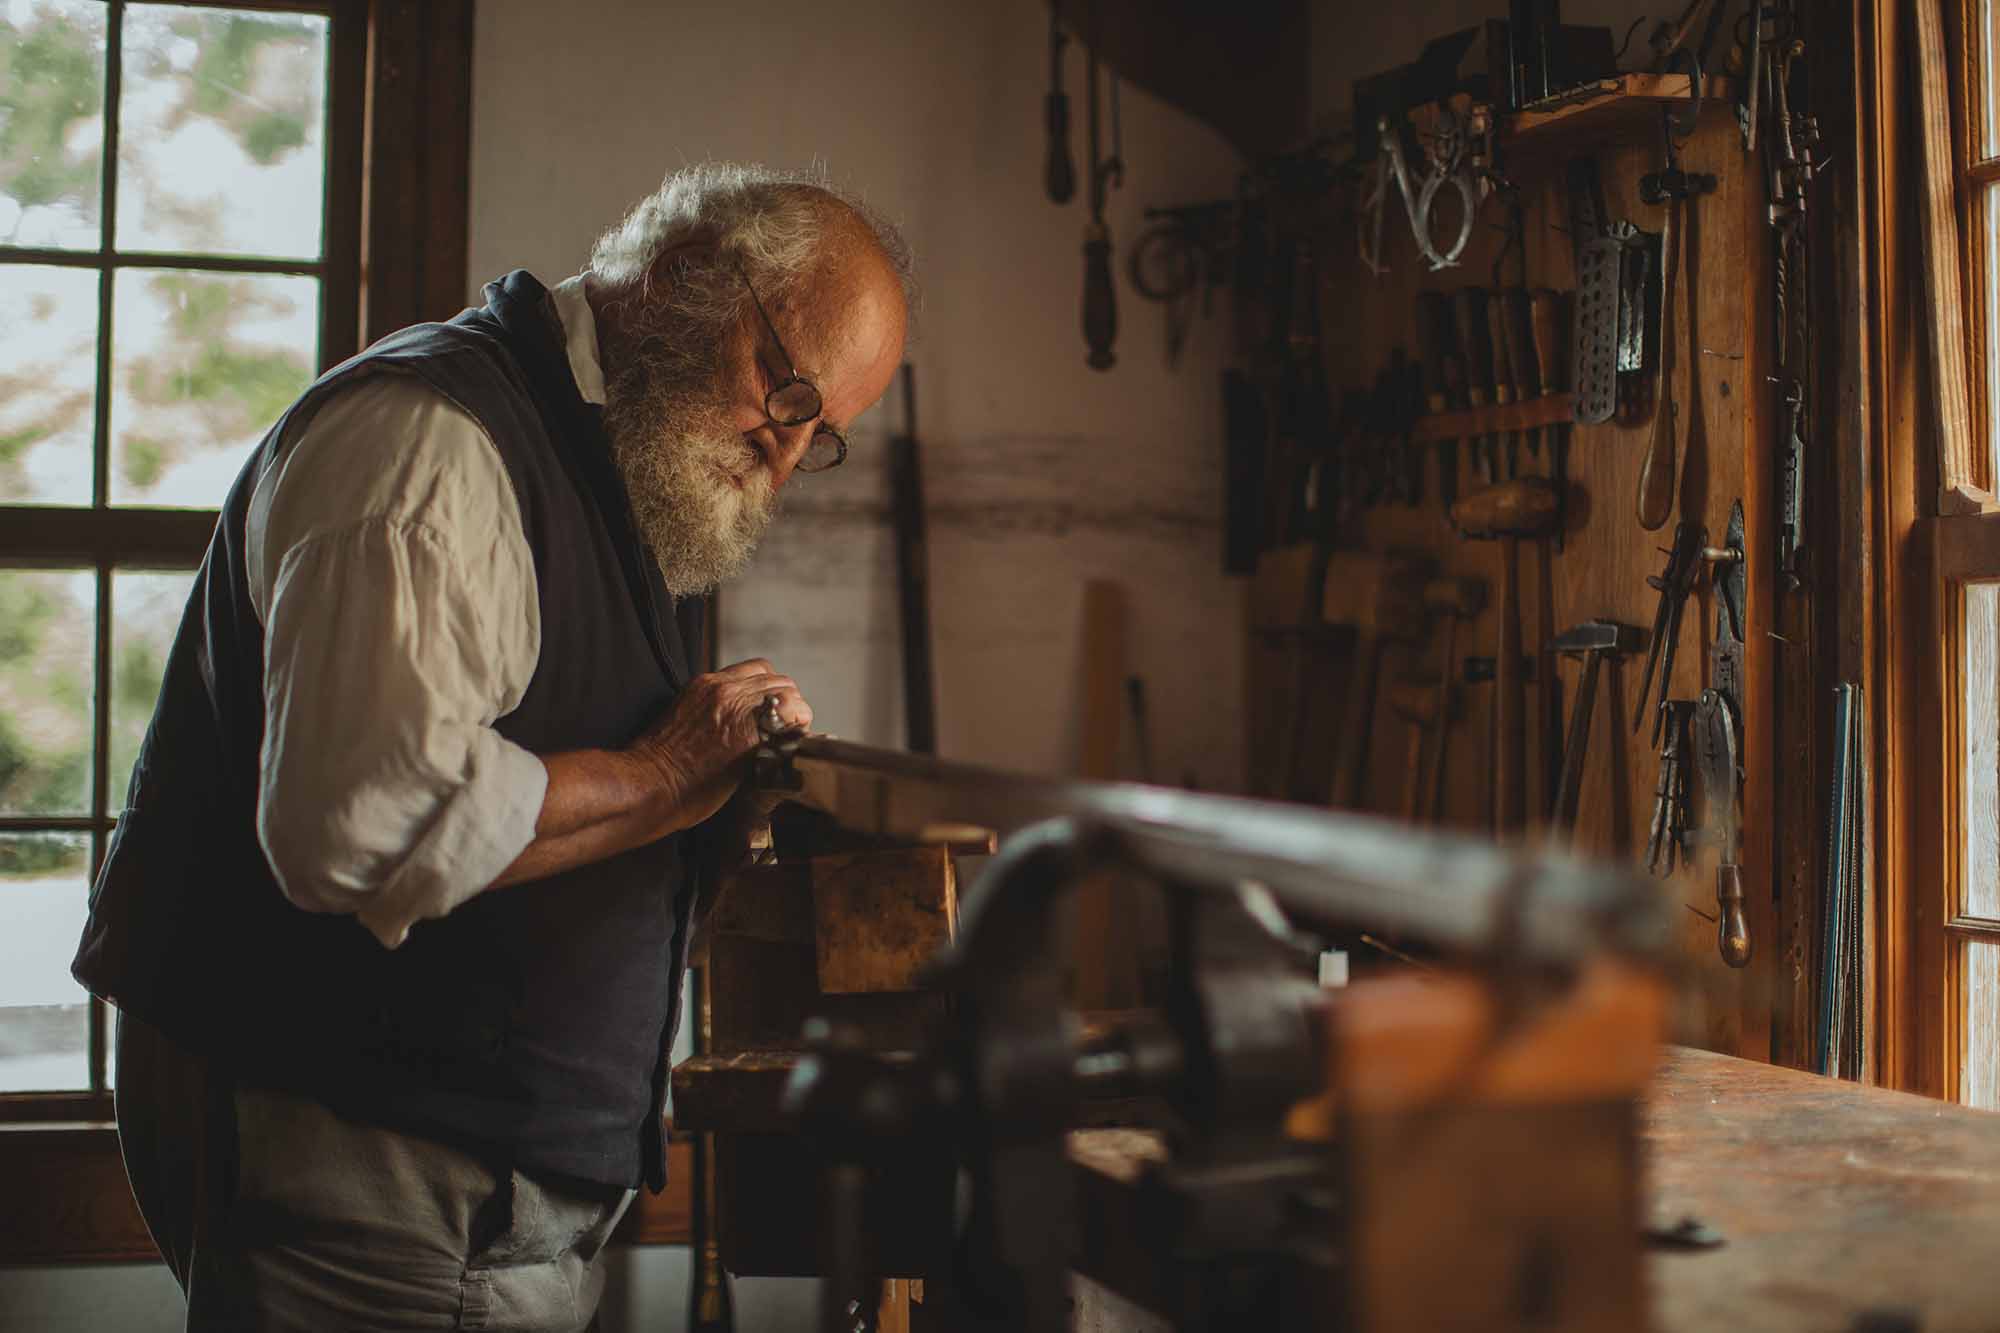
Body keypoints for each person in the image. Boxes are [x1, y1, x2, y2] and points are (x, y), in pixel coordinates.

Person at [70, 162, 913, 1331]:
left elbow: (548, 811)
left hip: (484, 1191)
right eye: (785, 387)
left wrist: (708, 820)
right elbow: (357, 827)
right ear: (677, 281)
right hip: (378, 1174)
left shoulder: (626, 476)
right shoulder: (427, 442)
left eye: (818, 433)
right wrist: (663, 772)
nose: (784, 451)